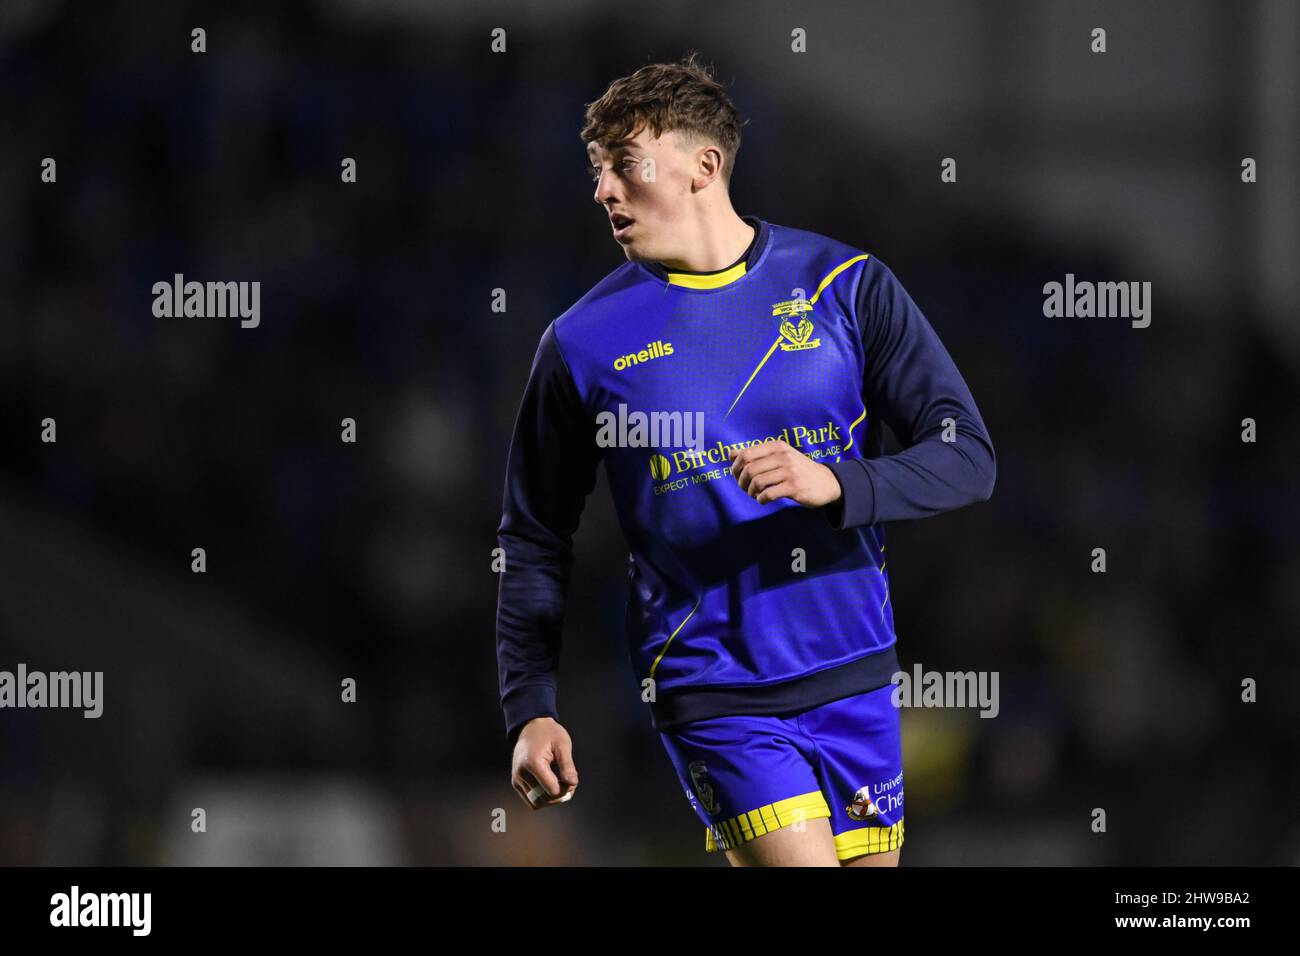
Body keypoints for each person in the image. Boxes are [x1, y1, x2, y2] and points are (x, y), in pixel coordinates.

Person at [494, 53, 995, 866]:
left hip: (856, 675)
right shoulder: (580, 344)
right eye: (597, 173)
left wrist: (837, 482)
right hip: (714, 688)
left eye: (624, 166)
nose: (603, 192)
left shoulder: (843, 284)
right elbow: (533, 537)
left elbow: (968, 456)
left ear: (705, 165)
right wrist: (530, 706)